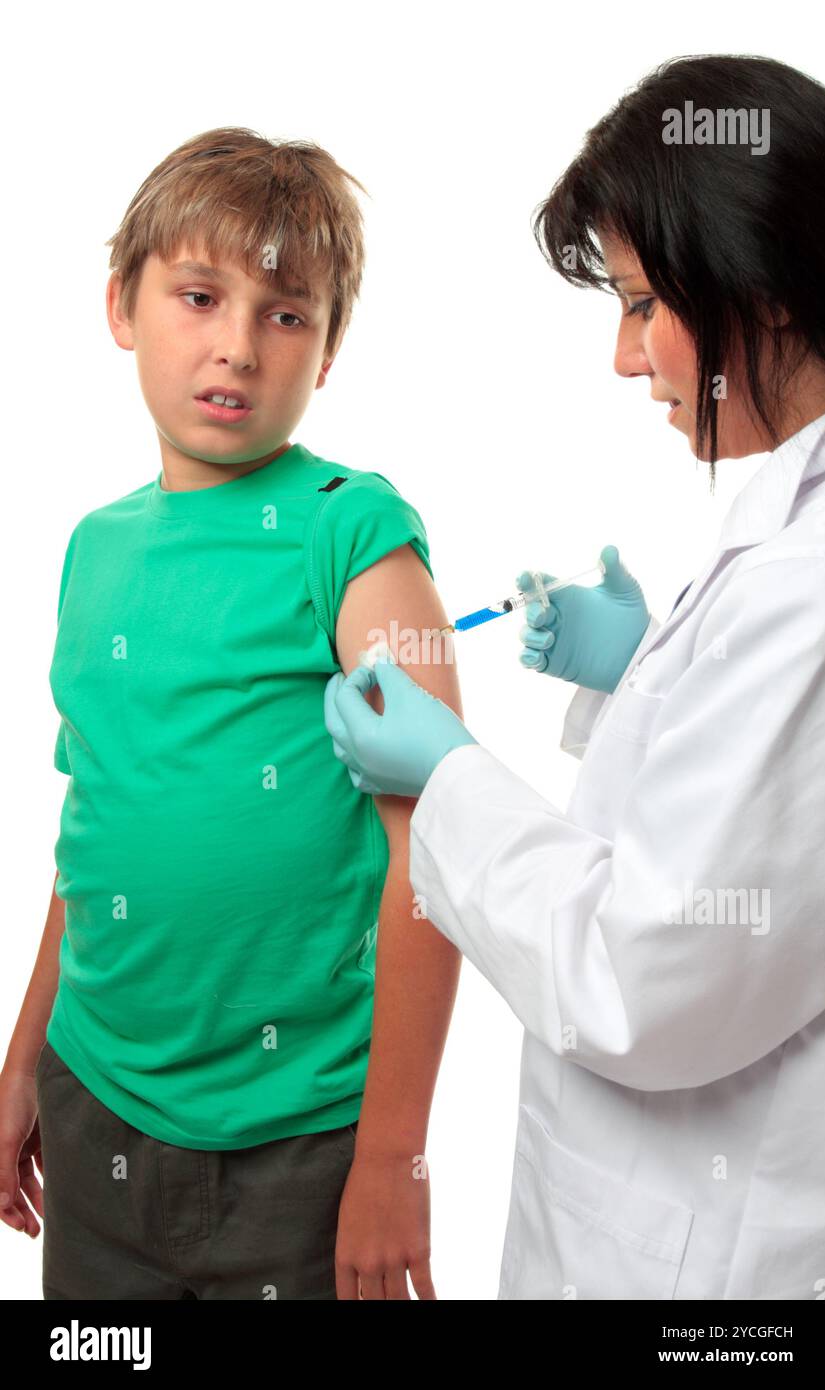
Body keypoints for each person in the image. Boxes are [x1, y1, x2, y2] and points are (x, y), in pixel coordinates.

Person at [324, 55, 825, 1299]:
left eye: (642, 302)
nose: (625, 359)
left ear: (762, 293)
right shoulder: (791, 550)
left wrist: (447, 777)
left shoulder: (811, 585)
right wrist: (643, 676)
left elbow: (644, 972)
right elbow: (760, 819)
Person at [0, 127, 463, 1301]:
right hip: (96, 1099)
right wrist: (22, 1065)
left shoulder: (351, 534)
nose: (237, 347)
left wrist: (390, 1155)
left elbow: (441, 844)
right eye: (199, 295)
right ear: (122, 303)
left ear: (330, 347)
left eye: (286, 313)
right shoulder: (93, 548)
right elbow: (93, 822)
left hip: (303, 1143)